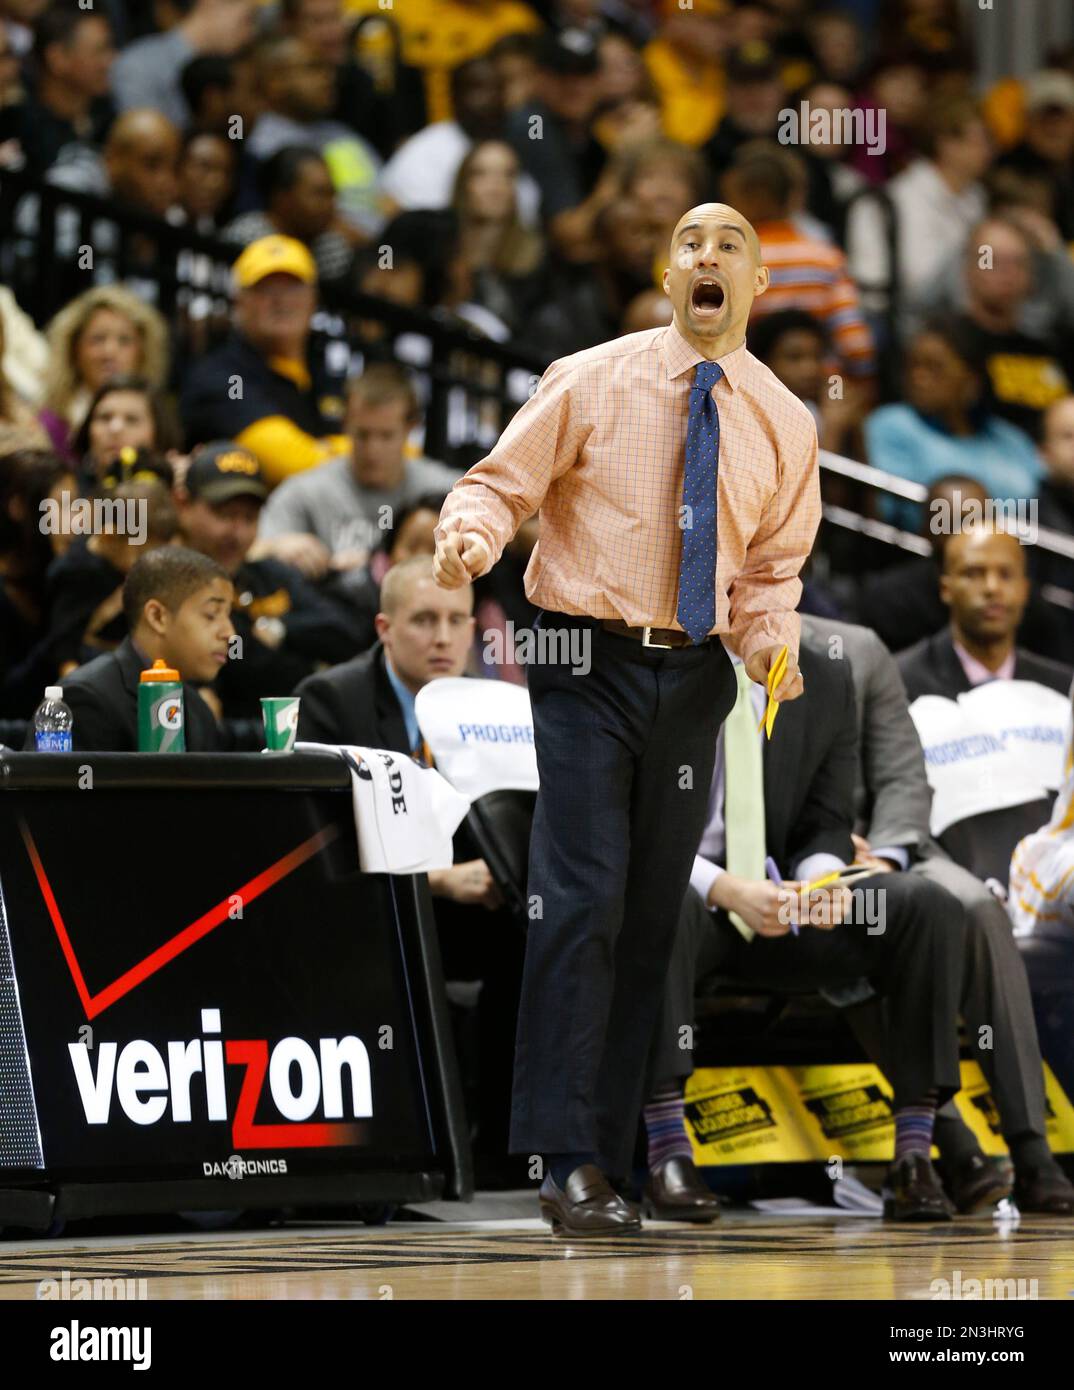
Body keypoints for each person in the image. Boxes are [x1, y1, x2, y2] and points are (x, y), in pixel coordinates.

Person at [433, 200, 821, 1236]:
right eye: (691, 243)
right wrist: (469, 538)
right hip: (584, 663)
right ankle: (562, 1159)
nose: (709, 257)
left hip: (695, 674)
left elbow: (772, 575)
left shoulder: (786, 420)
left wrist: (772, 643)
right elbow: (495, 484)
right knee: (583, 899)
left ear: (757, 285)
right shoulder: (589, 377)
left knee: (656, 918)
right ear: (666, 275)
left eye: (730, 245)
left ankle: (619, 1158)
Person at [649, 639, 967, 1222]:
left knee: (926, 905)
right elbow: (635, 822)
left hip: (782, 901)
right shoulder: (660, 666)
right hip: (696, 895)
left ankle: (914, 1155)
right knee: (660, 910)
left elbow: (827, 820)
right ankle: (667, 1149)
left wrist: (822, 883)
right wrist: (726, 888)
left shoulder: (821, 674)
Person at [800, 615, 1074, 1215]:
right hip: (797, 860)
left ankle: (1033, 1150)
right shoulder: (704, 646)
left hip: (893, 846)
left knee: (976, 905)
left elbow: (902, 775)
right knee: (868, 927)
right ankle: (953, 1145)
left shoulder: (863, 648)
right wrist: (827, 851)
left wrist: (890, 853)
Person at [295, 554, 526, 1176]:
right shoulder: (330, 699)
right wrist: (440, 879)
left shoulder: (493, 705)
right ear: (384, 628)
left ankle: (512, 1149)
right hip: (374, 907)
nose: (445, 637)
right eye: (425, 620)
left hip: (480, 906)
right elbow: (323, 844)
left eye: (458, 620)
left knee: (545, 938)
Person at [174, 440, 361, 719]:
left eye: (249, 518)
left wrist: (278, 629)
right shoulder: (168, 587)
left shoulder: (269, 575)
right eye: (224, 515)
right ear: (183, 505)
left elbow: (345, 634)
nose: (236, 533)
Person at [257, 364, 459, 579]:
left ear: (410, 428)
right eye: (363, 434)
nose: (373, 450)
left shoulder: (445, 490)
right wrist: (277, 547)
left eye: (386, 436)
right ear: (345, 424)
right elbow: (251, 551)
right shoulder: (308, 490)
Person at [32, 545, 236, 753]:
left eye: (229, 615)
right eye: (211, 614)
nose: (229, 633)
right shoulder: (85, 699)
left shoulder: (198, 710)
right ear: (157, 616)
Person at [179, 235, 349, 484]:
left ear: (313, 299)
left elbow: (395, 447)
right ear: (239, 301)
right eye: (266, 289)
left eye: (293, 287)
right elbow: (294, 465)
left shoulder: (328, 370)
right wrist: (351, 452)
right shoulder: (221, 376)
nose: (281, 300)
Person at [864, 319, 1042, 532]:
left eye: (934, 368)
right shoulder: (891, 424)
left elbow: (1042, 507)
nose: (918, 377)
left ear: (971, 381)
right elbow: (892, 511)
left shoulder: (1011, 439)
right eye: (913, 365)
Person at [720, 141, 875, 384]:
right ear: (793, 197)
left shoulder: (728, 262)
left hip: (750, 390)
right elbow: (857, 347)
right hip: (817, 390)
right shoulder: (825, 257)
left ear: (742, 194)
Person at [845, 95, 991, 342]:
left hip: (960, 324)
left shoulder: (976, 198)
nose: (987, 150)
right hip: (900, 325)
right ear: (946, 144)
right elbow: (916, 280)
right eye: (977, 141)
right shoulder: (903, 198)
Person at [244, 34, 383, 237]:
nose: (328, 78)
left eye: (328, 68)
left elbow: (388, 197)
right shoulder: (263, 148)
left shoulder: (341, 133)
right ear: (275, 82)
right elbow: (314, 221)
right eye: (313, 68)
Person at [40, 286, 170, 462]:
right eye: (98, 339)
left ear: (142, 353)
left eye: (124, 340)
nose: (109, 352)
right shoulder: (49, 428)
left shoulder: (160, 419)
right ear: (74, 350)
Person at [110, 0, 256, 130]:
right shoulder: (138, 65)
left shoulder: (235, 70)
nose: (250, 34)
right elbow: (145, 141)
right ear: (212, 4)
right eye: (247, 20)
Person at [224, 146, 355, 284]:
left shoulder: (333, 249)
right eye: (319, 194)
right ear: (282, 197)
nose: (330, 205)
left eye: (332, 194)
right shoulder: (245, 238)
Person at [15, 2, 115, 172]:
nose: (111, 60)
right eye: (100, 51)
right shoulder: (22, 133)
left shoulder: (109, 117)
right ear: (57, 58)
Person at [72, 377, 181, 491]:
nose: (115, 428)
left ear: (159, 432)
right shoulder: (67, 493)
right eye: (105, 418)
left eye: (131, 419)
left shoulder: (177, 492)